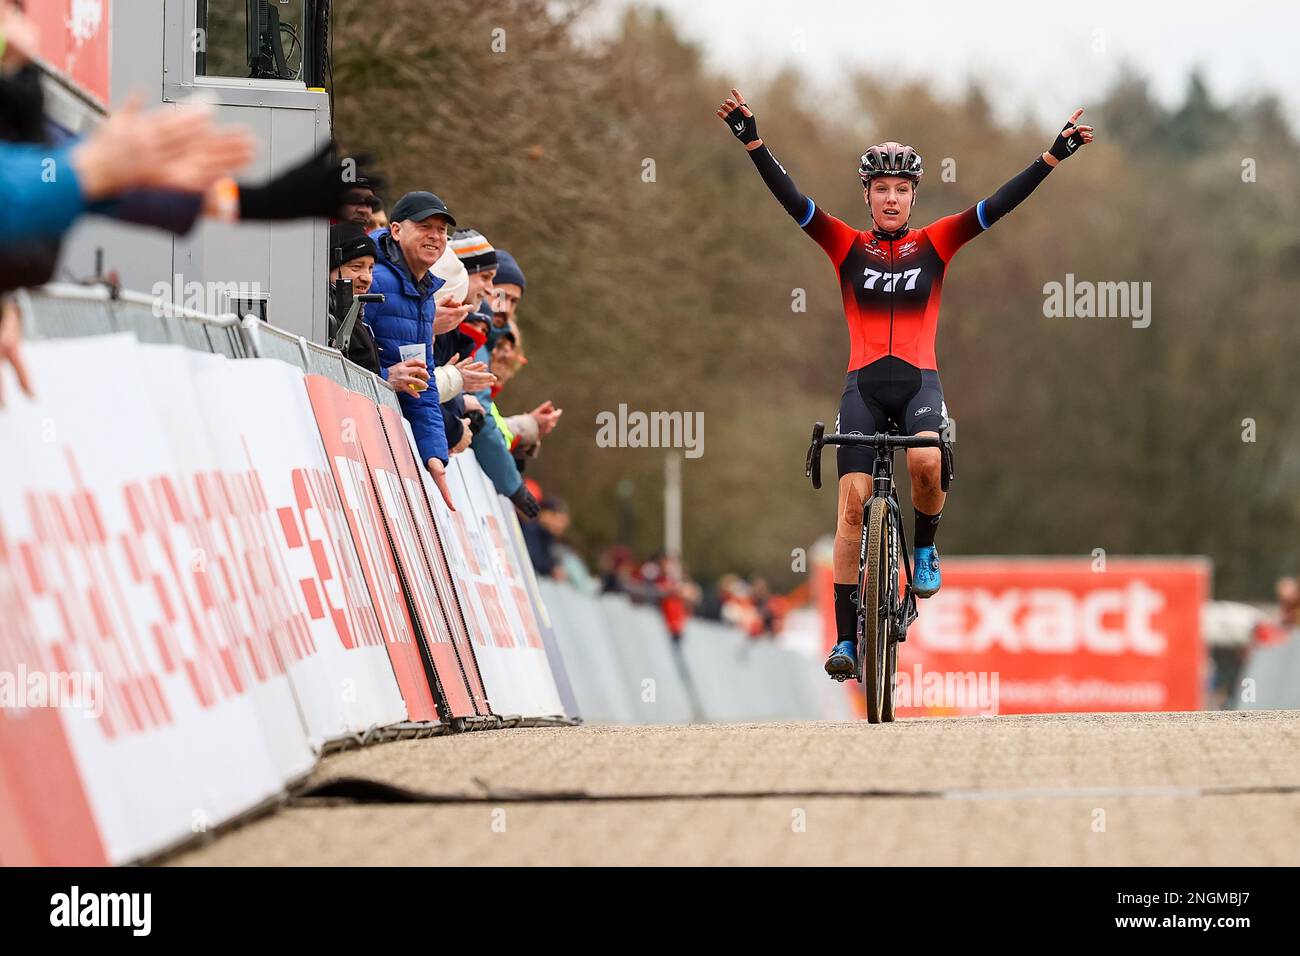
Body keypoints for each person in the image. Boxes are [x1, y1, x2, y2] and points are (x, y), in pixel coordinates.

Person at [716, 87, 1094, 680]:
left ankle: (923, 547)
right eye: (881, 189)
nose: (891, 198)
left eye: (901, 189)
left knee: (924, 460)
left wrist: (1050, 158)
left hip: (918, 382)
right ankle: (845, 641)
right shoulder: (846, 245)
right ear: (867, 195)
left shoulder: (935, 242)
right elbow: (793, 202)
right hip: (862, 388)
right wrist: (754, 142)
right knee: (849, 506)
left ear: (913, 195)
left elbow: (996, 205)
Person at [365, 190, 472, 508]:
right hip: (352, 431)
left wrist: (435, 456)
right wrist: (385, 378)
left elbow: (420, 385)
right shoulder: (376, 280)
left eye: (441, 230)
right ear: (396, 230)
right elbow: (337, 355)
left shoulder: (424, 297)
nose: (435, 236)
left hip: (381, 437)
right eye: (425, 226)